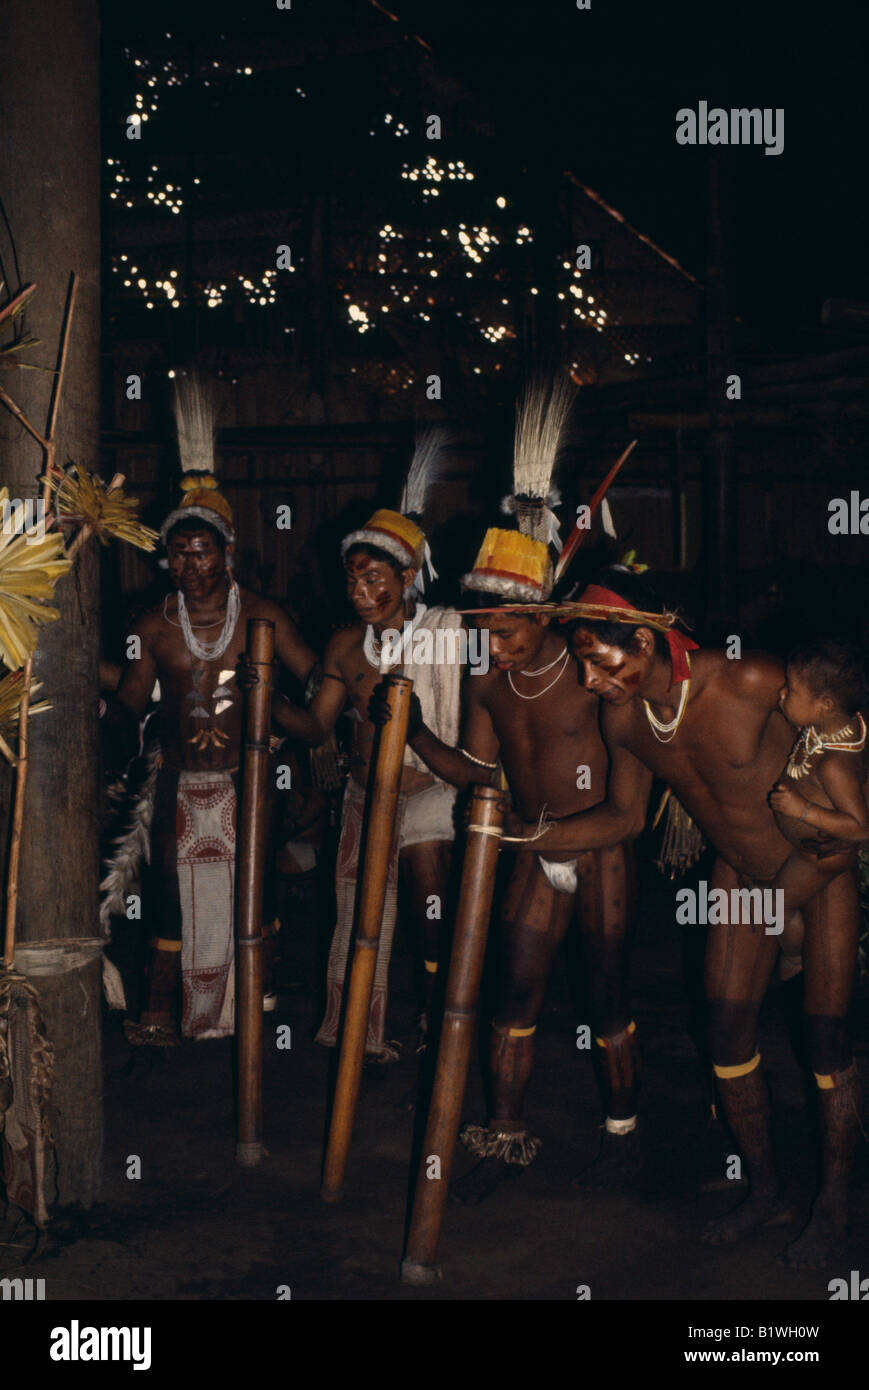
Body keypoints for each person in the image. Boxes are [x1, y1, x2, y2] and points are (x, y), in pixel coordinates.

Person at [509, 567, 864, 1267]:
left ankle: (835, 1201)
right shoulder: (623, 720)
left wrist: (833, 825)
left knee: (823, 1042)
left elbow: (845, 726)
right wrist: (527, 836)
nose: (587, 680)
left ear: (642, 641)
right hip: (737, 876)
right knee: (726, 1035)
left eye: (593, 659)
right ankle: (765, 1190)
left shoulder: (751, 680)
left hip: (816, 869)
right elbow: (622, 816)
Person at [398, 382, 644, 1201]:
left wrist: (559, 839)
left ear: (543, 617)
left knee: (605, 991)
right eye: (481, 632)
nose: (490, 646)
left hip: (598, 844)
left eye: (503, 631)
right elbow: (482, 775)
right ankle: (503, 1133)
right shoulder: (492, 687)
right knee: (514, 989)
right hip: (535, 846)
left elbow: (625, 799)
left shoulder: (590, 672)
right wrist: (414, 736)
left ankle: (622, 1132)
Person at [103, 378, 316, 1045]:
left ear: (227, 551)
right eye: (177, 553)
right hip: (179, 778)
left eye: (202, 552)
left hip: (250, 773)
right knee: (168, 892)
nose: (189, 566)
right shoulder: (155, 624)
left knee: (256, 888)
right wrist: (107, 749)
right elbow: (134, 701)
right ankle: (165, 1009)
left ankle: (257, 990)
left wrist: (278, 707)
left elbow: (317, 684)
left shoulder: (263, 615)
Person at [272, 433, 463, 1065]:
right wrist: (261, 704)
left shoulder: (446, 633)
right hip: (363, 794)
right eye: (352, 578)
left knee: (429, 915)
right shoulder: (344, 647)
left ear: (408, 578)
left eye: (373, 578)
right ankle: (362, 1031)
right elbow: (315, 726)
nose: (359, 590)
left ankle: (442, 1033)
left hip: (428, 791)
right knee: (359, 921)